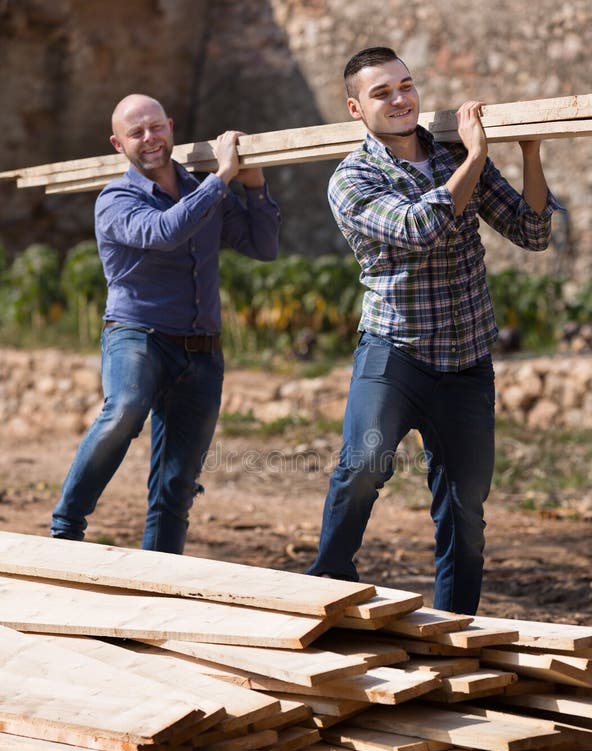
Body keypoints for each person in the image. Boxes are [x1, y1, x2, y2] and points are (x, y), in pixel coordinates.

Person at [306, 47, 562, 614]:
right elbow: (417, 227)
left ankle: (454, 627)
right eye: (382, 93)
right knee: (361, 471)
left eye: (406, 85)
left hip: (466, 363)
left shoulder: (452, 152)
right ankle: (326, 592)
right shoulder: (351, 180)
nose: (400, 99)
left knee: (466, 510)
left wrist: (530, 151)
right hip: (395, 355)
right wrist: (474, 157)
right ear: (355, 108)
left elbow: (531, 231)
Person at [51, 94, 281, 553]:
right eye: (136, 133)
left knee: (178, 480)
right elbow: (163, 232)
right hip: (138, 335)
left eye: (156, 127)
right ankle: (66, 529)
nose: (150, 139)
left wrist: (254, 188)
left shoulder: (203, 190)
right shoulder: (115, 200)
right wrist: (222, 178)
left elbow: (263, 246)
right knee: (124, 410)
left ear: (170, 126)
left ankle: (160, 572)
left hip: (202, 348)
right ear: (118, 144)